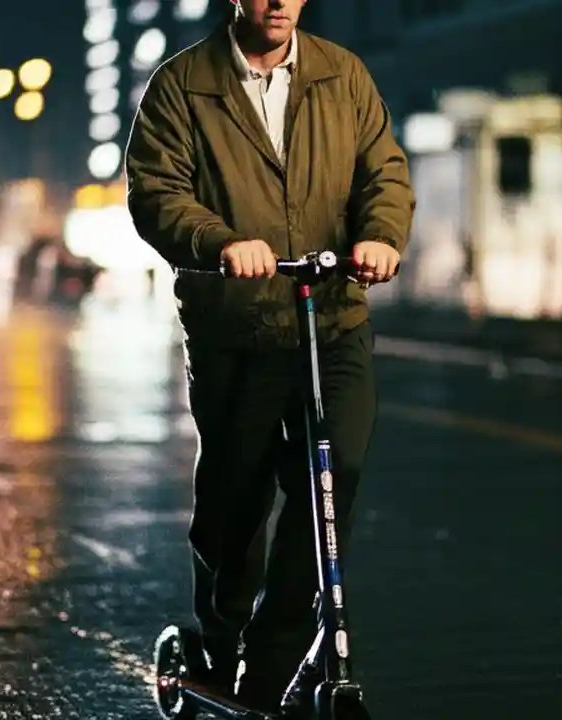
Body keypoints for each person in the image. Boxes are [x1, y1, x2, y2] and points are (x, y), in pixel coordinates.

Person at [125, 0, 414, 711]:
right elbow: (156, 193)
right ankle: (221, 637)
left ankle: (277, 650)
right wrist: (219, 241)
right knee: (236, 501)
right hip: (237, 332)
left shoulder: (341, 75)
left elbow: (385, 170)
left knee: (331, 475)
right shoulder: (182, 84)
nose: (278, 1)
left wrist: (380, 234)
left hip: (331, 319)